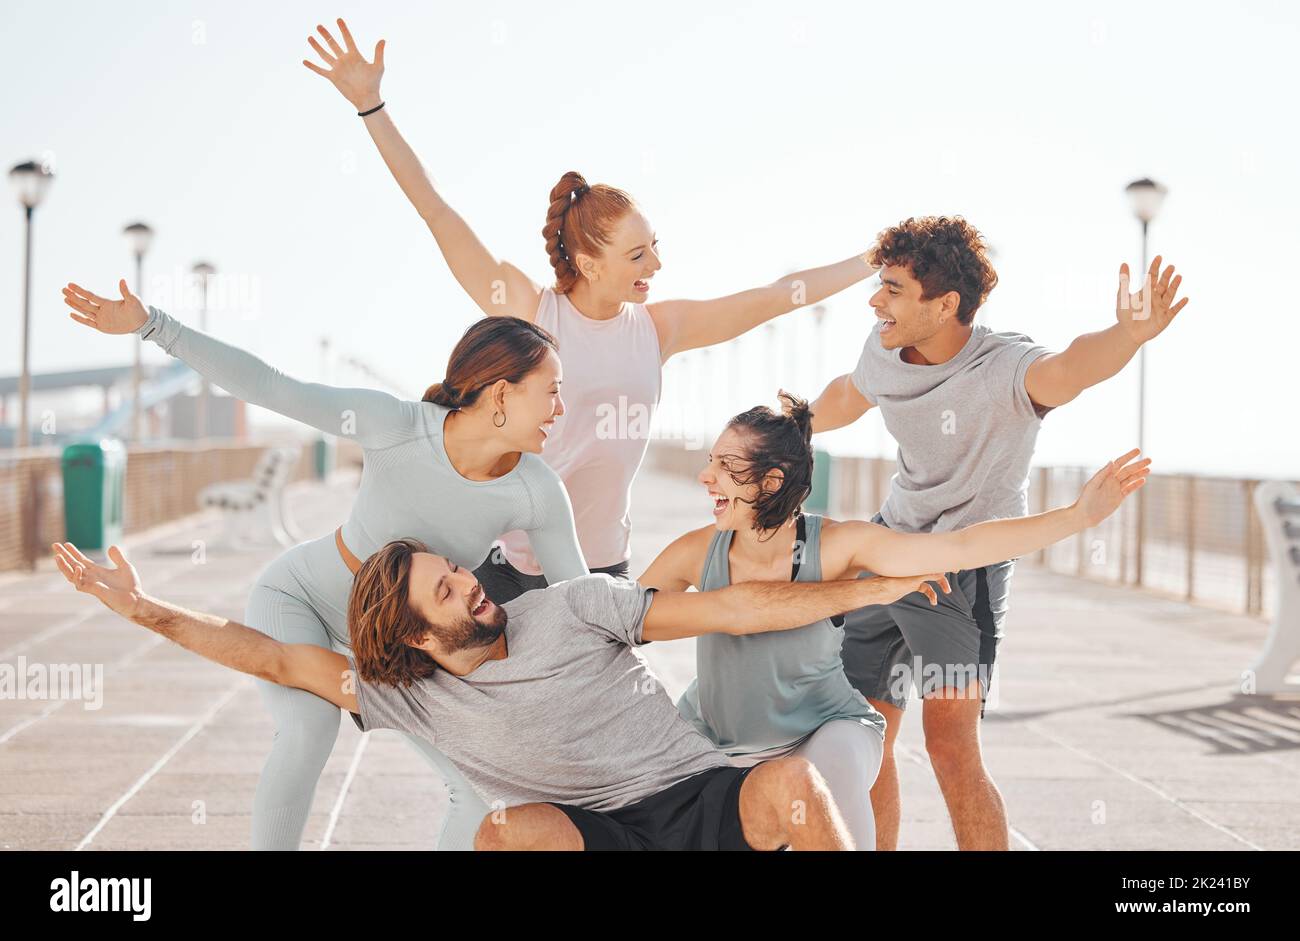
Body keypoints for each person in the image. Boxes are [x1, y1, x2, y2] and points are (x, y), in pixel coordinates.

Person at [302, 18, 879, 604]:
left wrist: (871, 259)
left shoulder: (660, 328)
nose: (655, 263)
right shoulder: (533, 313)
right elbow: (437, 212)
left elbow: (779, 295)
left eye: (655, 244)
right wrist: (372, 107)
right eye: (637, 253)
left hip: (607, 570)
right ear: (588, 261)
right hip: (508, 571)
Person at [60, 279, 588, 851]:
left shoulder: (536, 490)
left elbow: (582, 604)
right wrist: (153, 324)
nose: (562, 409)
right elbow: (272, 388)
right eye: (552, 391)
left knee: (479, 787)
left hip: (403, 644)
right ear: (501, 393)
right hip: (302, 600)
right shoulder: (396, 426)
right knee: (311, 729)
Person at [49, 538, 954, 851]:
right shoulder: (404, 695)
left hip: (701, 799)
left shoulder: (574, 607)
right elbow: (273, 659)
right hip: (599, 830)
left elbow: (727, 604)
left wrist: (860, 589)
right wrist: (140, 609)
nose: (470, 588)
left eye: (456, 573)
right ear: (412, 636)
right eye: (444, 594)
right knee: (507, 830)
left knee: (795, 785)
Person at [806, 215, 1189, 850]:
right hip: (888, 554)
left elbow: (1070, 370)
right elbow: (851, 394)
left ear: (946, 302)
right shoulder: (885, 346)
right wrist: (789, 423)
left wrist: (1127, 335)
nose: (876, 300)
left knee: (951, 748)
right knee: (861, 734)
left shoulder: (1005, 369)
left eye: (894, 288)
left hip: (965, 575)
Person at [640, 392, 1150, 850]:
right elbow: (619, 620)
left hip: (825, 730)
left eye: (726, 466)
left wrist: (1077, 517)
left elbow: (962, 545)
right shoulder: (694, 553)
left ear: (772, 480)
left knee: (837, 766)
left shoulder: (835, 545)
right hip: (720, 740)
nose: (706, 477)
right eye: (710, 462)